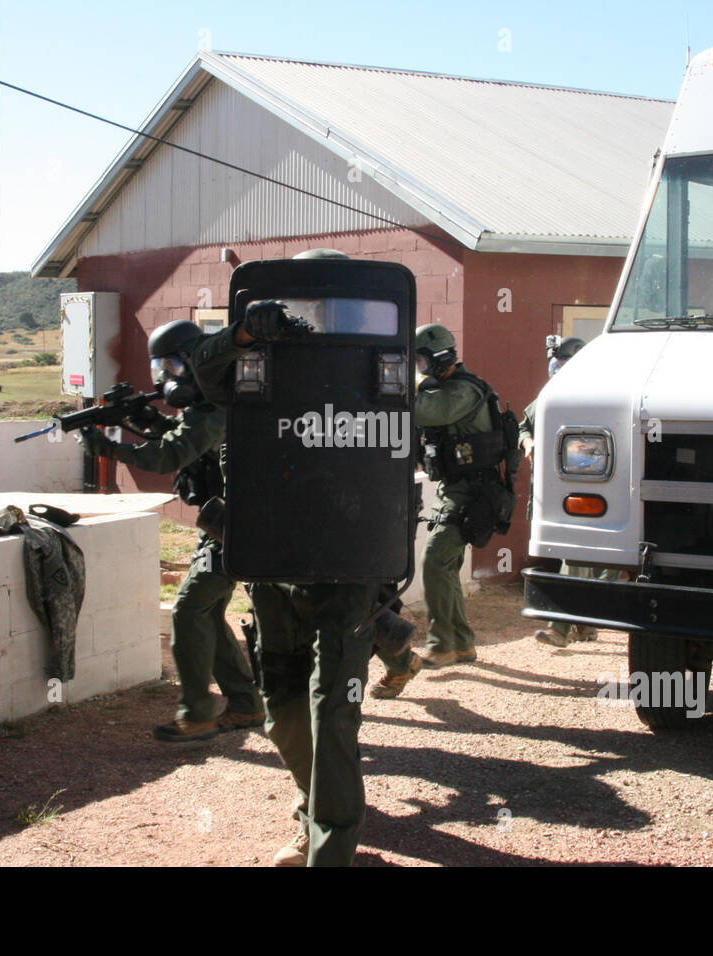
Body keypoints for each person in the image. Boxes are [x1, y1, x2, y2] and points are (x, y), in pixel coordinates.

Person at [189, 250, 409, 866]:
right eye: (310, 309)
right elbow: (202, 373)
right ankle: (311, 814)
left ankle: (330, 851)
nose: (322, 320)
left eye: (339, 309)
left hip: (347, 573)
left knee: (333, 712)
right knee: (285, 719)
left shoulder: (374, 370)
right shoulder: (250, 368)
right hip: (273, 567)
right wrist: (242, 331)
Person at [77, 320, 264, 742]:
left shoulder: (218, 405)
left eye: (173, 367)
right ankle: (245, 705)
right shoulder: (208, 405)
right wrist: (147, 421)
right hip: (223, 521)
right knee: (207, 611)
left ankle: (197, 712)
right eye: (161, 367)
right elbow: (188, 444)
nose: (166, 378)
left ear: (197, 363)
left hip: (239, 523)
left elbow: (171, 456)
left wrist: (110, 448)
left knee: (189, 608)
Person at [409, 323, 513, 669]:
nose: (420, 370)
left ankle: (442, 644)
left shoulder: (462, 392)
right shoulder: (450, 387)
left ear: (440, 358)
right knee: (447, 566)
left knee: (435, 561)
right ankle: (461, 644)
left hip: (473, 491)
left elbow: (423, 410)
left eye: (422, 363)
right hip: (455, 487)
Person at [519, 335, 615, 647]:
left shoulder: (603, 397)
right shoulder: (552, 395)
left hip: (601, 497)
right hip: (567, 497)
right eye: (555, 362)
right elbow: (525, 423)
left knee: (595, 564)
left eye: (563, 362)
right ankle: (584, 624)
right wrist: (528, 443)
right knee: (577, 558)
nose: (557, 368)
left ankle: (560, 627)